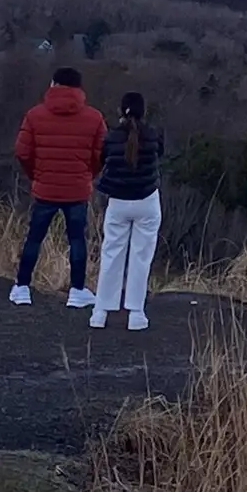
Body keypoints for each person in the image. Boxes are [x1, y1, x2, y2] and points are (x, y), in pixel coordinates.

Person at [10, 67, 106, 307]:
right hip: (77, 189)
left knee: (34, 237)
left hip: (45, 188)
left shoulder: (34, 115)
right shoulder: (94, 118)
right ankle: (77, 291)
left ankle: (22, 287)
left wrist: (37, 174)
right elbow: (102, 154)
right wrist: (87, 174)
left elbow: (22, 151)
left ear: (53, 84)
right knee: (77, 239)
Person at [90, 91, 165, 331]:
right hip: (147, 199)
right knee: (140, 258)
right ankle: (136, 313)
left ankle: (100, 313)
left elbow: (102, 160)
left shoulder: (111, 136)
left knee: (111, 254)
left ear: (121, 111)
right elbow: (159, 154)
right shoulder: (153, 134)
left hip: (118, 201)